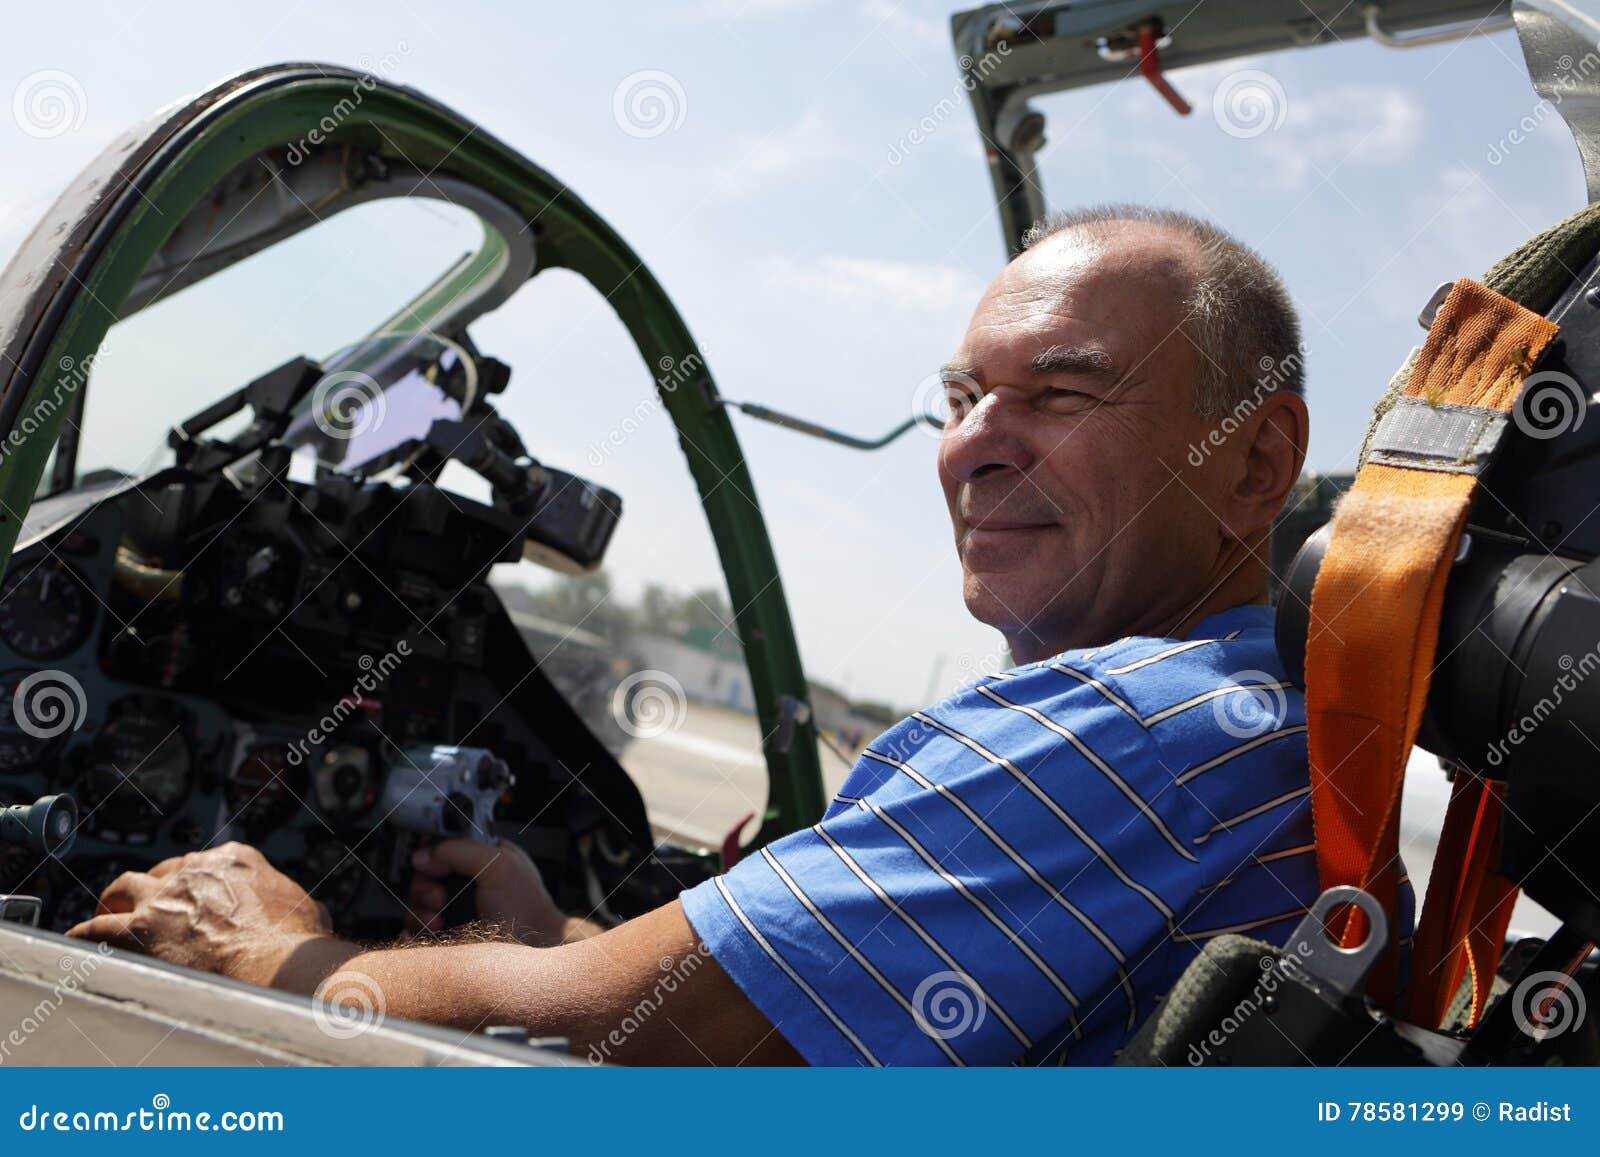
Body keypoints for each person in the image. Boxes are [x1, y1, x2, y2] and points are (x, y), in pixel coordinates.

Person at [67, 205, 1329, 1065]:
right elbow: (746, 1015)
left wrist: (262, 947)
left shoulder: (1124, 731)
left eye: (1059, 392)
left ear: (1255, 462)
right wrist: (555, 940)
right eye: (961, 397)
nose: (973, 445)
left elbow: (626, 1038)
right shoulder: (1247, 720)